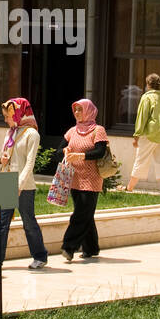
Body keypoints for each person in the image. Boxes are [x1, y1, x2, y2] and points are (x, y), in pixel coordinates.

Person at [0, 97, 48, 271]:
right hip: (5, 181)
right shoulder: (10, 132)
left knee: (28, 222)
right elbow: (3, 157)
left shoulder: (32, 134)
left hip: (24, 186)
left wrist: (19, 185)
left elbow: (30, 163)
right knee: (1, 223)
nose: (6, 119)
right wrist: (2, 159)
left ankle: (40, 256)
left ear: (19, 113)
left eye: (8, 116)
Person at [60, 97, 108, 262]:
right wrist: (65, 151)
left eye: (80, 109)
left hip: (91, 179)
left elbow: (100, 152)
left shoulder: (98, 130)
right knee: (86, 214)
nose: (77, 112)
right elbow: (60, 149)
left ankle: (69, 246)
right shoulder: (72, 131)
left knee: (80, 214)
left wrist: (81, 156)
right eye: (75, 109)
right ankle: (91, 248)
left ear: (89, 111)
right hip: (75, 178)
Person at [126, 73, 160, 193]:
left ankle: (130, 187)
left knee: (141, 160)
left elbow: (142, 118)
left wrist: (136, 136)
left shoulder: (146, 97)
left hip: (149, 134)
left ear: (148, 84)